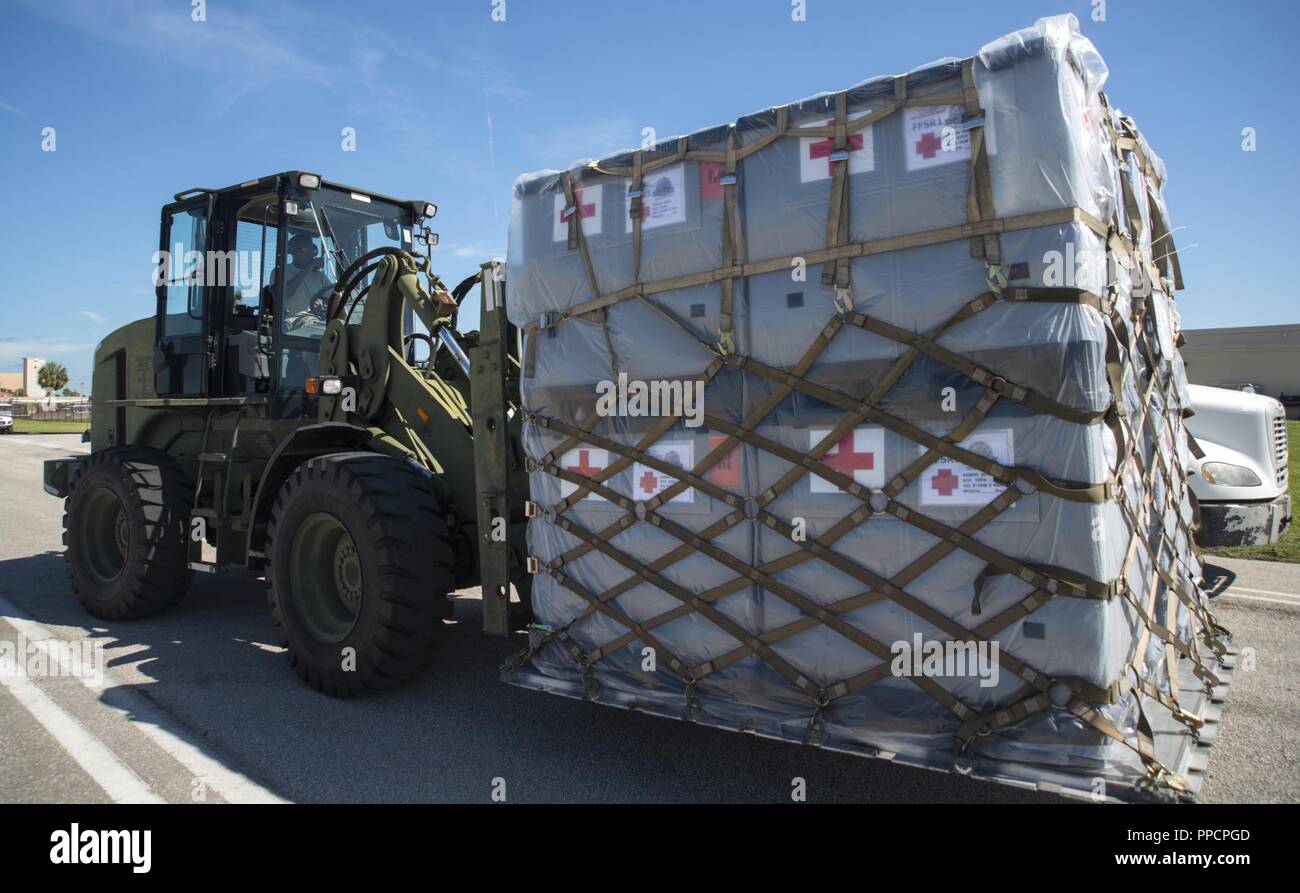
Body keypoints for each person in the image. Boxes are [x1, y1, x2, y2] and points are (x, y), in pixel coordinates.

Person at [278, 232, 331, 331]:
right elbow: (284, 293)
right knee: (310, 324)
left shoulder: (320, 276)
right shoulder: (282, 272)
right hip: (292, 322)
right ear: (292, 251)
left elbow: (334, 296)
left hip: (317, 321)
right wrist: (309, 267)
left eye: (311, 249)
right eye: (304, 249)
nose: (310, 253)